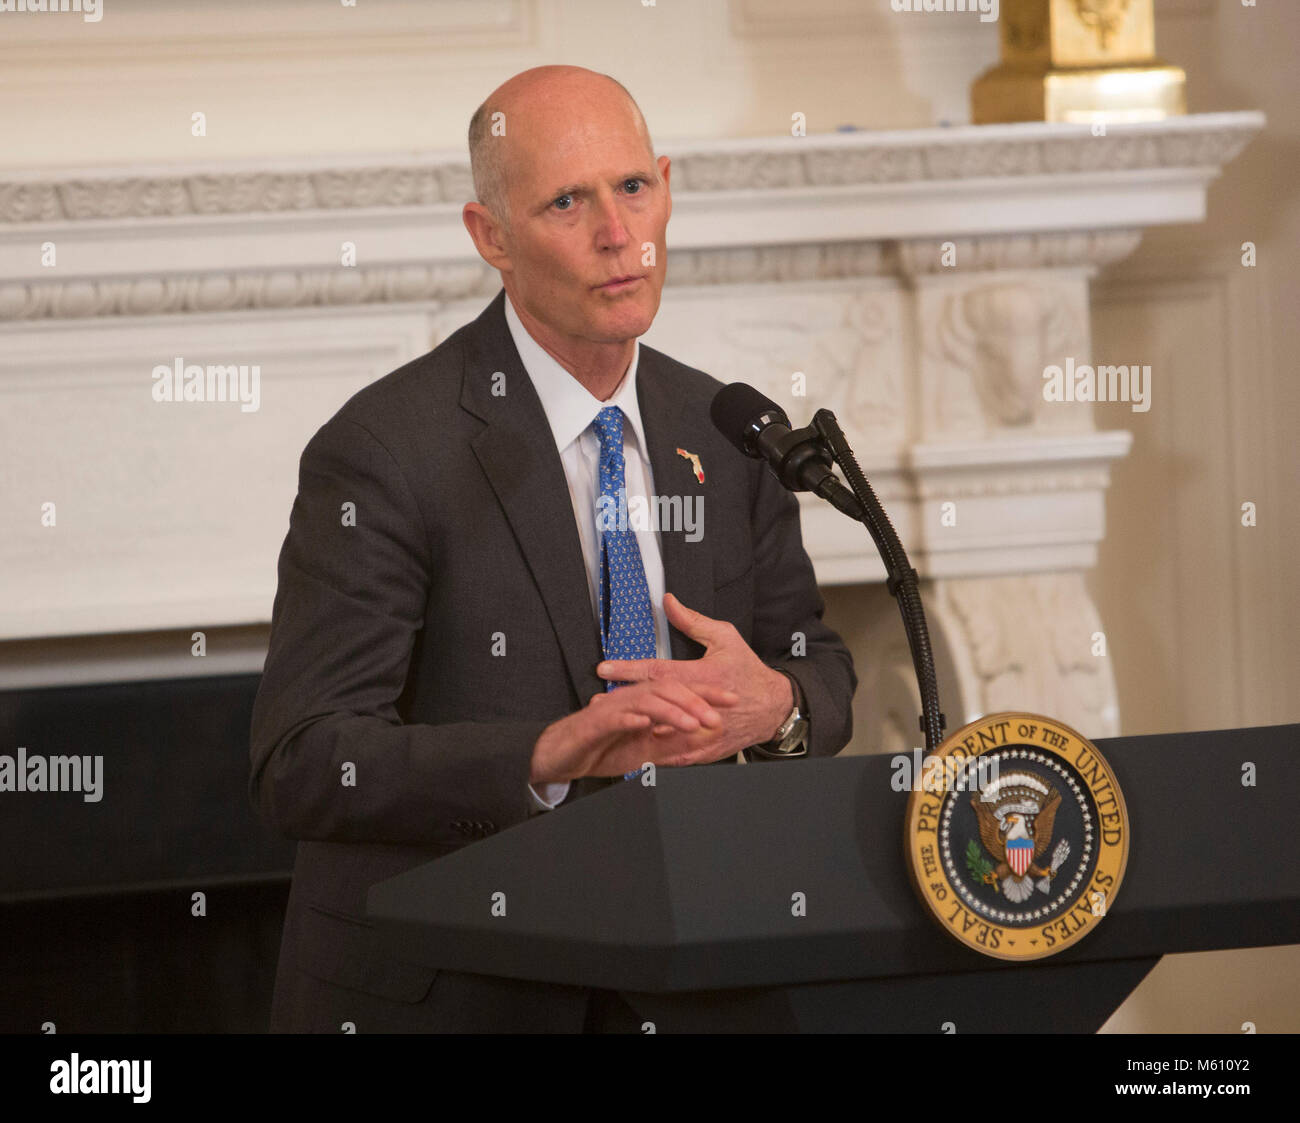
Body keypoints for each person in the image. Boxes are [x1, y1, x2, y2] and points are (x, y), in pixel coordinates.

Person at [249, 65, 856, 1033]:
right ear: (490, 236)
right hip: (462, 992)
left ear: (665, 184)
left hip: (695, 979)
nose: (618, 234)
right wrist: (548, 751)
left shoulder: (725, 427)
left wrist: (777, 704)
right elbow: (305, 759)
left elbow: (811, 661)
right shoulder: (386, 451)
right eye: (566, 201)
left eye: (632, 188)